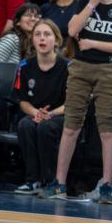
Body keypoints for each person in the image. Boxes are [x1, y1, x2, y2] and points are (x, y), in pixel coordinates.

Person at [39, 0, 112, 204]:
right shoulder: (84, 1)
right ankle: (59, 182)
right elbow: (72, 30)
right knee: (71, 126)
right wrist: (91, 4)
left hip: (108, 70)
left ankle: (107, 185)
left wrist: (94, 43)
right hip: (81, 68)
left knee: (107, 128)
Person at [13, 19, 68, 195]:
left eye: (47, 34)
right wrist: (37, 113)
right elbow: (22, 101)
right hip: (35, 113)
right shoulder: (25, 66)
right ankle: (32, 180)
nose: (42, 39)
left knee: (45, 128)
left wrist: (50, 114)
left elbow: (73, 103)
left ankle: (51, 180)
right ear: (32, 40)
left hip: (59, 115)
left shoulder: (68, 67)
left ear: (57, 40)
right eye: (38, 35)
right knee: (25, 124)